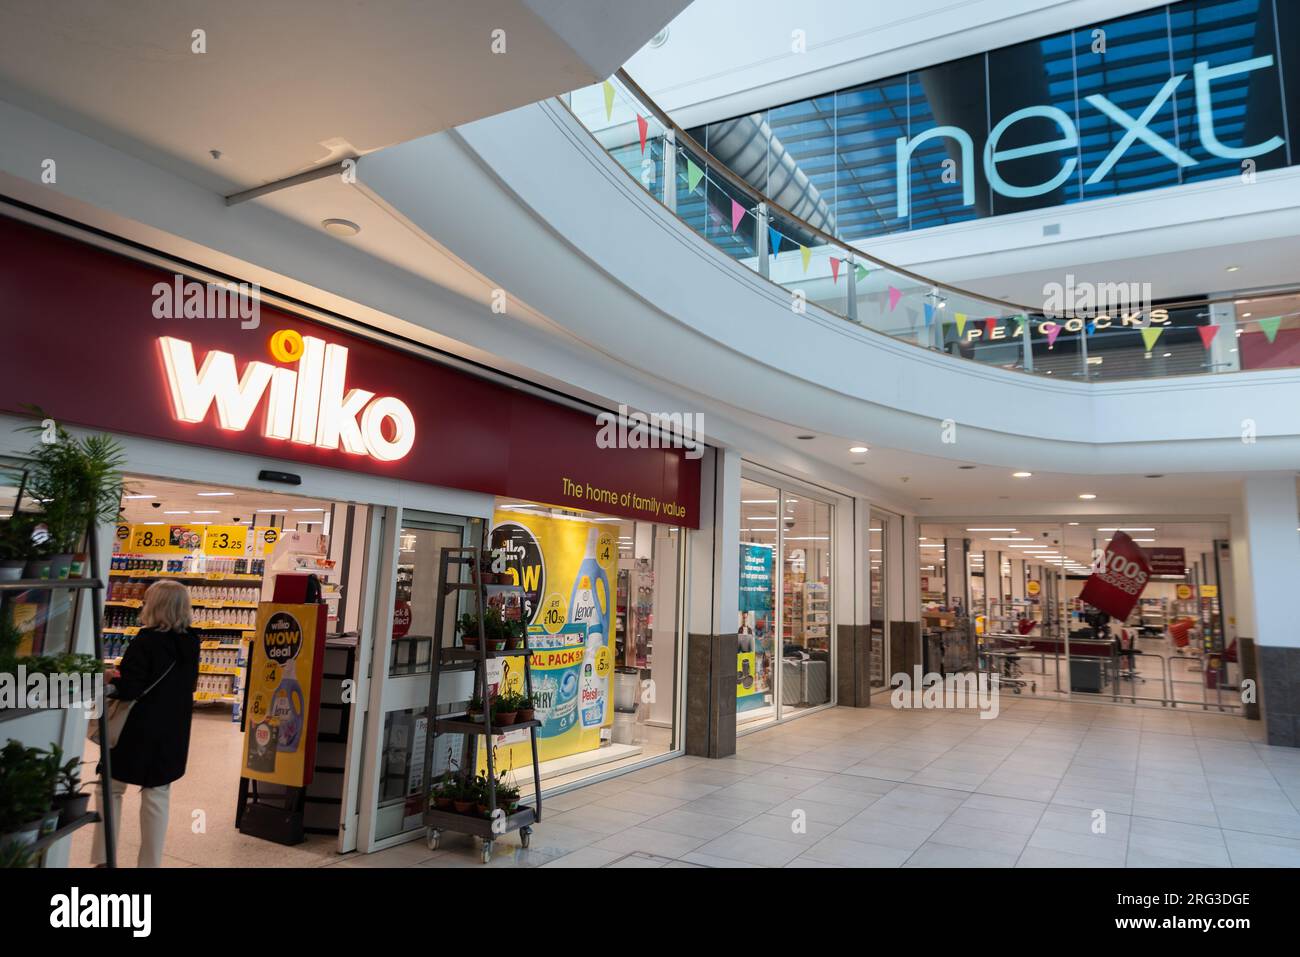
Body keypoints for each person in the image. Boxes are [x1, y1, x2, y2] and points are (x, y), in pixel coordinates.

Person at [91, 579, 200, 867]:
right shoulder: (192, 642)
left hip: (136, 728)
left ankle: (105, 857)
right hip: (173, 730)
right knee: (157, 795)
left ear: (155, 605)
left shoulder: (146, 640)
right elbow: (188, 686)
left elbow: (130, 689)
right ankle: (149, 864)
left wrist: (112, 678)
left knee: (111, 788)